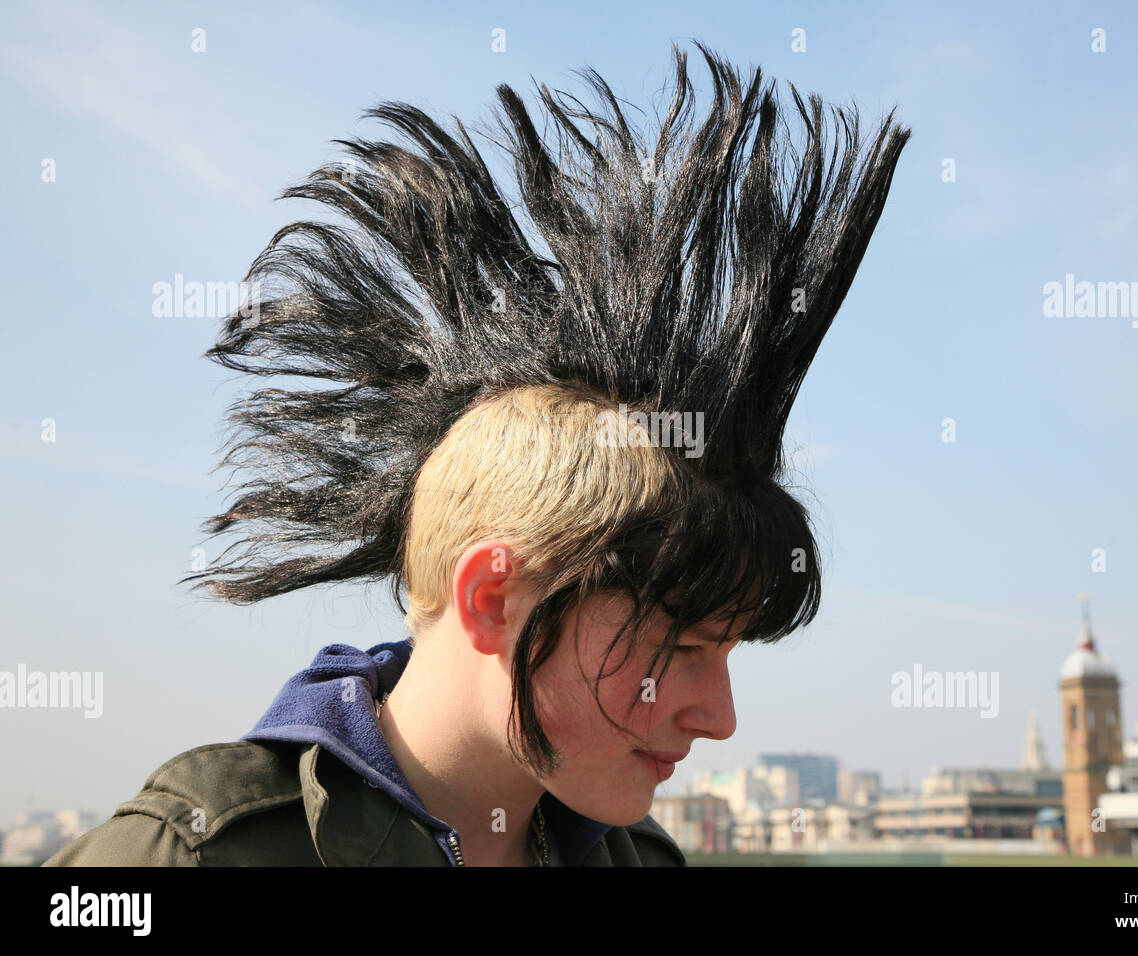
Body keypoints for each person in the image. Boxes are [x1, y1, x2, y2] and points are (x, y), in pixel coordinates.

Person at [44, 39, 910, 867]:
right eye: (681, 648)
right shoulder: (193, 855)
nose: (718, 718)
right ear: (493, 595)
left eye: (726, 655)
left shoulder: (637, 860)